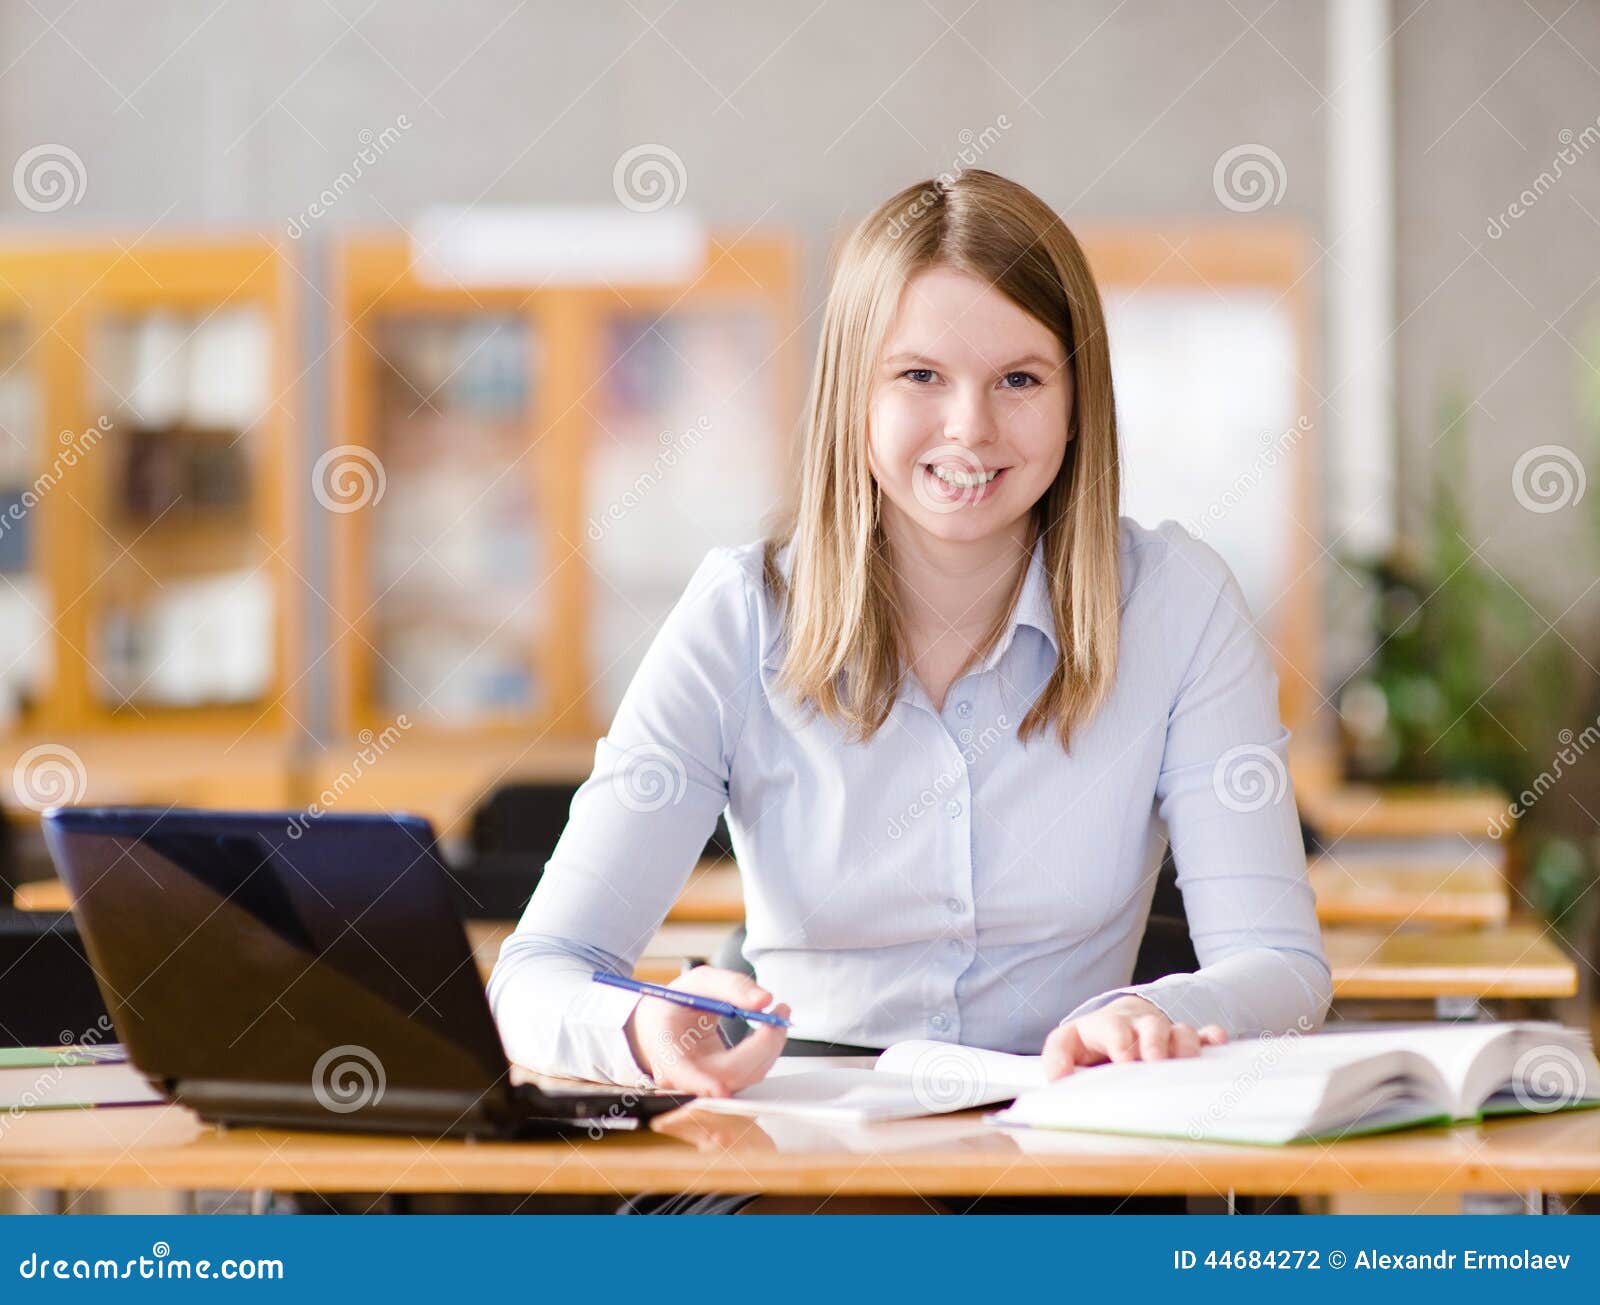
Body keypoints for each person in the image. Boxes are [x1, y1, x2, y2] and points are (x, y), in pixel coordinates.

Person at [488, 169, 1330, 1211]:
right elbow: (537, 974)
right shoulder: (740, 614)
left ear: (1078, 403)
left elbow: (1282, 966)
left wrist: (1162, 1012)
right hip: (791, 1167)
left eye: (1020, 379)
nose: (969, 428)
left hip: (1070, 1153)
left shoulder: (1176, 604)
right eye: (920, 375)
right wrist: (636, 1022)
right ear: (855, 392)